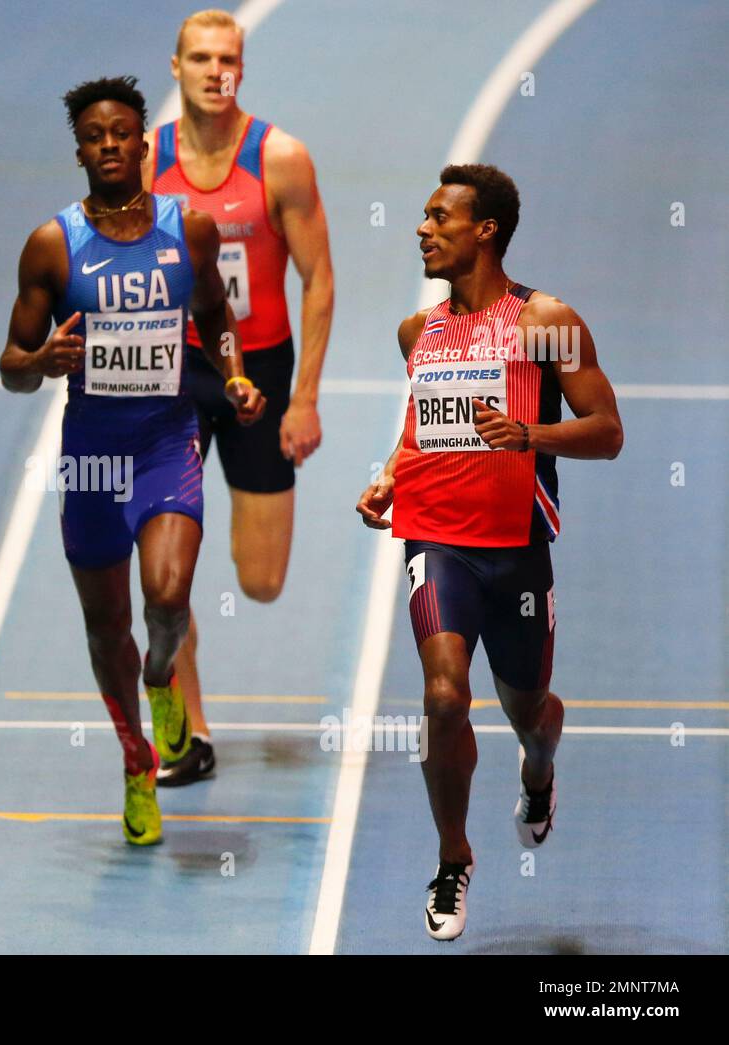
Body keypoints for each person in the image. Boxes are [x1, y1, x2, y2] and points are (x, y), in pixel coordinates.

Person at [356, 164, 623, 940]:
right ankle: (453, 856)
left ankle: (538, 767)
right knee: (444, 695)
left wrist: (531, 435)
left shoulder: (546, 319)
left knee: (527, 708)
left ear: (486, 231)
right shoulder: (420, 332)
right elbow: (422, 429)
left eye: (439, 217)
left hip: (518, 550)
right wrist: (387, 478)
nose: (422, 228)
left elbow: (608, 431)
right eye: (422, 215)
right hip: (436, 539)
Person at [0, 76, 264, 845]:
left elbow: (216, 315)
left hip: (165, 440)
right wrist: (43, 358)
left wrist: (237, 375)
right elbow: (11, 365)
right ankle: (135, 761)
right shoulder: (52, 245)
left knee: (169, 595)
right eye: (93, 135)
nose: (108, 144)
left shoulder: (193, 230)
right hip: (90, 457)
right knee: (103, 622)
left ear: (143, 143)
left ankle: (163, 680)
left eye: (121, 132)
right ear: (78, 149)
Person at [146, 8, 333, 785]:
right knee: (166, 574)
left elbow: (318, 277)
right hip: (174, 375)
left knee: (260, 580)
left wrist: (306, 399)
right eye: (201, 58)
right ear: (176, 66)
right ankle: (186, 736)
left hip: (260, 371)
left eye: (229, 58)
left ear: (242, 69)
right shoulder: (142, 161)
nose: (215, 71)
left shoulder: (281, 159)